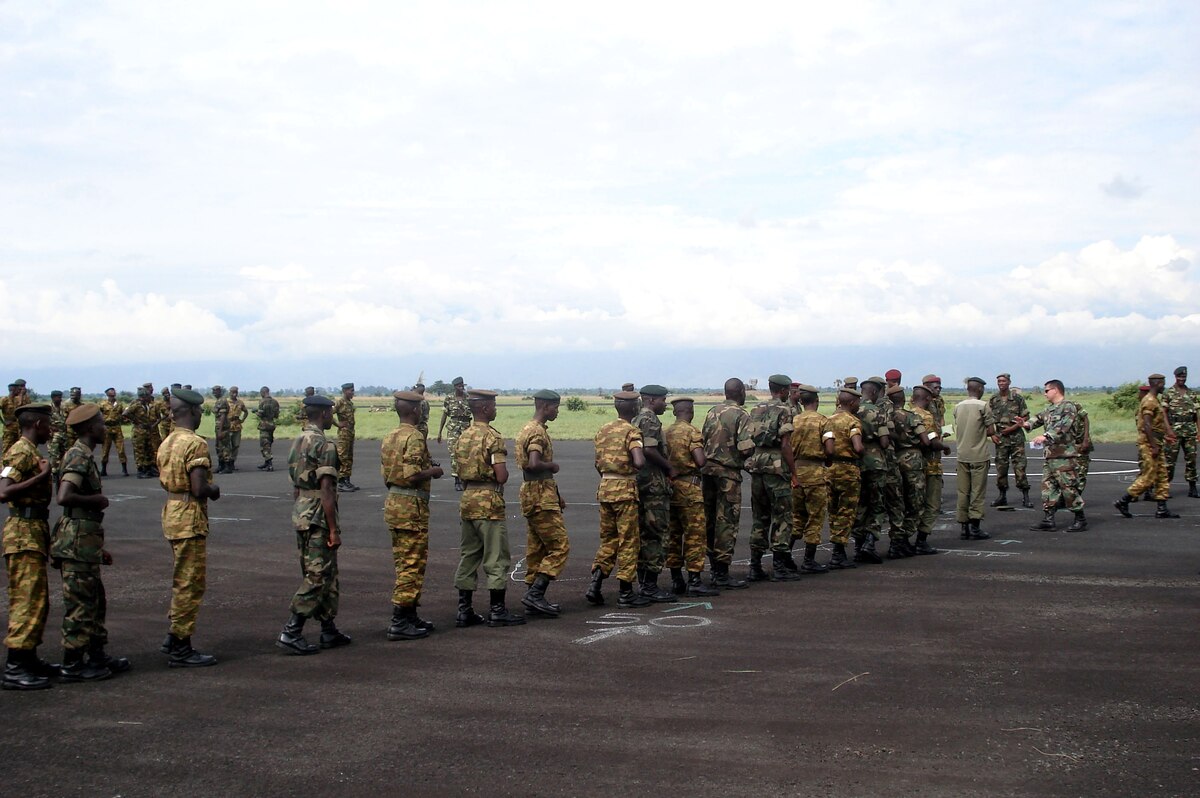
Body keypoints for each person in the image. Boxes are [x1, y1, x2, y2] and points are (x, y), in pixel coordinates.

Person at [54, 403, 130, 681]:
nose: (104, 427)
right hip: (76, 539)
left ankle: (96, 655)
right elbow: (64, 495)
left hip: (85, 540)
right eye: (100, 423)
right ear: (89, 428)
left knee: (95, 599)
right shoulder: (78, 455)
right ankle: (72, 663)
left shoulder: (83, 453)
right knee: (81, 603)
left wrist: (97, 549)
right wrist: (95, 500)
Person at [277, 394, 351, 655]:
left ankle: (328, 628)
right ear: (324, 414)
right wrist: (333, 529)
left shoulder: (298, 440)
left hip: (302, 511)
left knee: (324, 573)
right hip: (319, 514)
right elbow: (327, 488)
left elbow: (296, 485)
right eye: (330, 413)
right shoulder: (324, 444)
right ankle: (292, 630)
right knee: (318, 575)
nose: (332, 417)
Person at [156, 388, 221, 667]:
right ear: (193, 411)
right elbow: (198, 487)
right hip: (189, 516)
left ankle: (174, 636)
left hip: (172, 512)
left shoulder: (167, 441)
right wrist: (213, 490)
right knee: (190, 582)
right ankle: (181, 645)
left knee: (181, 576)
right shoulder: (195, 443)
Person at [452, 389, 524, 626]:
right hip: (488, 501)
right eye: (493, 405)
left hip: (468, 498)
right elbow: (501, 476)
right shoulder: (492, 437)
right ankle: (497, 610)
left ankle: (464, 610)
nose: (495, 409)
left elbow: (459, 471)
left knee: (469, 555)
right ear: (484, 408)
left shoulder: (463, 436)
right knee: (496, 557)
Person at [1, 404, 58, 690]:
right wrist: (41, 477)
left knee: (37, 599)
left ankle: (29, 658)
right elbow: (3, 491)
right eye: (48, 424)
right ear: (37, 424)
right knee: (26, 600)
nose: (51, 429)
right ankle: (15, 666)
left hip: (33, 529)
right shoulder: (20, 451)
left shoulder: (31, 451)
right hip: (22, 533)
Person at [381, 391, 443, 640]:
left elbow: (388, 473)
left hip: (394, 503)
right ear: (415, 410)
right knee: (412, 563)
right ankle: (399, 620)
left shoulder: (390, 436)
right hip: (410, 507)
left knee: (404, 561)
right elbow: (411, 474)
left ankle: (409, 614)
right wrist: (433, 471)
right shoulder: (414, 436)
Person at [586, 391, 649, 608]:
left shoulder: (603, 430)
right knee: (629, 540)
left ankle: (595, 583)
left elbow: (597, 462)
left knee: (609, 539)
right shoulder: (632, 432)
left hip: (605, 488)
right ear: (634, 408)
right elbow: (639, 461)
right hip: (625, 490)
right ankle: (625, 591)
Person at [514, 390, 569, 617]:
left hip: (534, 492)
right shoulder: (537, 432)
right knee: (559, 546)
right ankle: (536, 593)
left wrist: (556, 495)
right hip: (540, 495)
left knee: (537, 548)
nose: (557, 411)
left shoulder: (527, 428)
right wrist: (551, 466)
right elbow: (533, 463)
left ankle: (532, 595)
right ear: (545, 406)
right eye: (555, 407)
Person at [701, 378, 755, 589]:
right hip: (728, 474)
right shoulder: (741, 415)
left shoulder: (712, 412)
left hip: (707, 472)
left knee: (710, 519)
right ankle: (722, 572)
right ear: (740, 391)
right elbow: (745, 447)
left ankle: (713, 566)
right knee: (726, 521)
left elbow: (704, 439)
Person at [1015, 380, 1088, 531]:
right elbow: (1038, 419)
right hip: (1050, 456)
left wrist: (1045, 436)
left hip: (1064, 457)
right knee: (1048, 488)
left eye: (1047, 390)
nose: (1045, 394)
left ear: (1056, 390)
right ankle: (1049, 519)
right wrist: (1025, 424)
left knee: (1068, 488)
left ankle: (1080, 518)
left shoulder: (1068, 407)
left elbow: (1062, 427)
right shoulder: (1049, 409)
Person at [746, 374, 799, 581]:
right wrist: (793, 472)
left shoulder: (756, 409)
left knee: (760, 517)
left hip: (757, 464)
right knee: (782, 517)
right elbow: (785, 444)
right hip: (776, 467)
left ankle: (755, 566)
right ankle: (779, 566)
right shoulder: (785, 410)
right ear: (784, 391)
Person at [664, 397, 719, 597]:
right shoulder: (692, 432)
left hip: (671, 487)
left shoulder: (666, 432)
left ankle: (676, 579)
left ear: (674, 412)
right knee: (695, 534)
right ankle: (694, 579)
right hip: (690, 487)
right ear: (691, 411)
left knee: (674, 534)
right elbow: (700, 460)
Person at [632, 384, 677, 602]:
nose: (665, 404)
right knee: (656, 533)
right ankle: (649, 585)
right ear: (651, 400)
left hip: (642, 484)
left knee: (644, 534)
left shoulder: (636, 419)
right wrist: (669, 467)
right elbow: (649, 450)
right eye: (662, 400)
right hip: (652, 486)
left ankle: (644, 582)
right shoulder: (649, 420)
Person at [1114, 374, 1180, 521]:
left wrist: (1165, 436)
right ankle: (1124, 501)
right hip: (1150, 444)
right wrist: (1153, 445)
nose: (1164, 386)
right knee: (1149, 476)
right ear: (1156, 383)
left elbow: (1156, 424)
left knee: (1162, 475)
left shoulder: (1155, 400)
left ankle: (1162, 508)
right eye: (1162, 383)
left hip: (1157, 442)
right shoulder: (1149, 401)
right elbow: (1147, 425)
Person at [788, 384, 833, 574]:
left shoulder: (793, 420)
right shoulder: (823, 421)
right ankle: (808, 559)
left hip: (796, 472)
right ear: (817, 400)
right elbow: (829, 448)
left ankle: (785, 557)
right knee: (815, 517)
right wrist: (828, 461)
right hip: (815, 473)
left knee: (796, 517)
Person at [887, 385, 931, 558]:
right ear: (903, 398)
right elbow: (925, 441)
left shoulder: (887, 417)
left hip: (894, 461)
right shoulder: (912, 417)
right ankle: (903, 538)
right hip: (912, 461)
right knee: (916, 502)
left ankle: (897, 540)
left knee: (898, 503)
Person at [851, 377, 891, 564]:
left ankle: (858, 545)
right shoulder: (878, 412)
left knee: (860, 504)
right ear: (874, 392)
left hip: (857, 462)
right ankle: (869, 542)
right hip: (875, 462)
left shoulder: (851, 410)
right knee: (877, 505)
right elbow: (885, 441)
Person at [953, 377, 996, 540]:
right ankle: (975, 526)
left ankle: (963, 526)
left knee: (963, 492)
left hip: (962, 454)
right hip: (979, 455)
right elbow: (991, 431)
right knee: (977, 492)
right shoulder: (983, 406)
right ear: (979, 389)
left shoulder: (958, 406)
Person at [827, 389, 866, 569]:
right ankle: (838, 552)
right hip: (847, 470)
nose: (859, 405)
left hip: (830, 469)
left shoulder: (828, 420)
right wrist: (863, 453)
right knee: (846, 510)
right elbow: (858, 447)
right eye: (857, 402)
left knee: (833, 510)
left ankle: (836, 548)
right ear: (851, 403)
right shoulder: (853, 421)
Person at [910, 385, 949, 554]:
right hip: (930, 464)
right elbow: (932, 441)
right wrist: (944, 447)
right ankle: (921, 540)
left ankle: (901, 540)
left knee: (912, 502)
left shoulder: (907, 414)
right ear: (927, 399)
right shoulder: (926, 416)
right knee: (932, 503)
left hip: (911, 465)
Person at [987, 373, 1032, 508]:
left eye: (1004, 381)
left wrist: (1013, 428)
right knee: (1001, 468)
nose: (1001, 383)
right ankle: (1002, 496)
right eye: (999, 381)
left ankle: (1025, 496)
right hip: (1001, 439)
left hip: (1016, 438)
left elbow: (1025, 416)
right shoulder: (994, 399)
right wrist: (992, 435)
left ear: (1009, 382)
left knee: (1020, 467)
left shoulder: (1017, 398)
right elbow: (988, 419)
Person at [1162, 366, 1200, 497]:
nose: (1181, 379)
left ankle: (1192, 487)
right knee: (1170, 460)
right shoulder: (1169, 393)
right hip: (1174, 431)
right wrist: (1168, 430)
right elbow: (1163, 413)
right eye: (1179, 377)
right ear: (1175, 377)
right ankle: (1164, 488)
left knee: (1191, 459)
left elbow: (1197, 414)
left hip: (1190, 430)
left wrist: (1199, 431)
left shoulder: (1192, 393)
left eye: (1184, 377)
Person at [437, 377, 472, 490]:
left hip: (466, 428)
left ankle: (465, 478)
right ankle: (457, 480)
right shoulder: (449, 398)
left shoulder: (468, 397)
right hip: (453, 429)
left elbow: (474, 413)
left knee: (466, 453)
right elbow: (444, 415)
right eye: (459, 385)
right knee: (454, 454)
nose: (461, 387)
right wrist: (439, 432)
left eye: (462, 385)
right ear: (455, 387)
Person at [123, 387, 160, 478]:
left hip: (146, 430)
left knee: (148, 450)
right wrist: (135, 420)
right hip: (139, 431)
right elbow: (125, 413)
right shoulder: (136, 405)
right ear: (143, 397)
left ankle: (149, 469)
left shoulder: (146, 405)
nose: (149, 397)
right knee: (140, 451)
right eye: (148, 396)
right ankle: (140, 470)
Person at [99, 388, 129, 477]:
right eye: (111, 391)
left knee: (121, 450)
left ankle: (124, 469)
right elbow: (98, 415)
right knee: (105, 450)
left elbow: (124, 415)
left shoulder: (119, 404)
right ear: (107, 393)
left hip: (117, 428)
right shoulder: (103, 404)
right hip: (107, 428)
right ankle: (103, 469)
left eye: (114, 391)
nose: (114, 392)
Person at [253, 386, 280, 471]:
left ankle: (269, 464)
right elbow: (276, 415)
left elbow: (261, 414)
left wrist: (255, 412)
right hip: (271, 425)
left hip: (264, 425)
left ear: (263, 392)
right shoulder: (275, 402)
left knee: (264, 445)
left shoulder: (262, 402)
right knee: (269, 443)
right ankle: (266, 462)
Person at [2, 380, 31, 454]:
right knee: (7, 447)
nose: (23, 388)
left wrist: (22, 395)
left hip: (20, 426)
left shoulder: (23, 398)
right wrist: (3, 421)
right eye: (21, 386)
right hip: (9, 426)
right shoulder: (5, 399)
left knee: (20, 446)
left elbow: (22, 407)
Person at [225, 386, 248, 471]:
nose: (234, 394)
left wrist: (242, 420)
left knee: (236, 445)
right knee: (227, 446)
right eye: (233, 392)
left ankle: (232, 463)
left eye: (236, 392)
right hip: (227, 426)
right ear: (229, 392)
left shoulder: (240, 402)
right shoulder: (225, 402)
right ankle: (226, 463)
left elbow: (246, 412)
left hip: (237, 426)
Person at [47, 391, 68, 483]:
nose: (60, 399)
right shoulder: (48, 409)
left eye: (61, 397)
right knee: (54, 455)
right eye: (58, 397)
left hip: (64, 435)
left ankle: (62, 472)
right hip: (54, 436)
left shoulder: (64, 407)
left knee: (65, 455)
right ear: (53, 398)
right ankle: (54, 473)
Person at [210, 385, 231, 474]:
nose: (214, 393)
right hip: (219, 426)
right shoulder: (218, 401)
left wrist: (220, 430)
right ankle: (221, 465)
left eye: (215, 391)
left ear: (220, 391)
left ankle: (227, 466)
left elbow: (223, 416)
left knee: (225, 447)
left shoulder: (222, 401)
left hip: (223, 427)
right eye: (213, 391)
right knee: (218, 446)